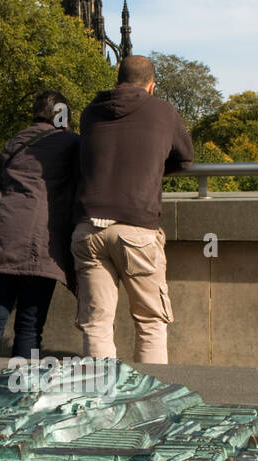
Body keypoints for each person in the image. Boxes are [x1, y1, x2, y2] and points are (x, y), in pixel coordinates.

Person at [72, 54, 194, 364]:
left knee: (96, 324)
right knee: (150, 322)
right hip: (136, 228)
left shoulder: (90, 114)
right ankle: (150, 404)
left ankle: (102, 400)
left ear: (117, 81)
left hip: (88, 229)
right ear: (151, 86)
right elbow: (186, 156)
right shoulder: (162, 111)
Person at [0, 91, 79, 357]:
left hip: (0, 233)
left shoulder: (15, 141)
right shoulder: (69, 142)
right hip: (39, 241)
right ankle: (22, 391)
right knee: (30, 325)